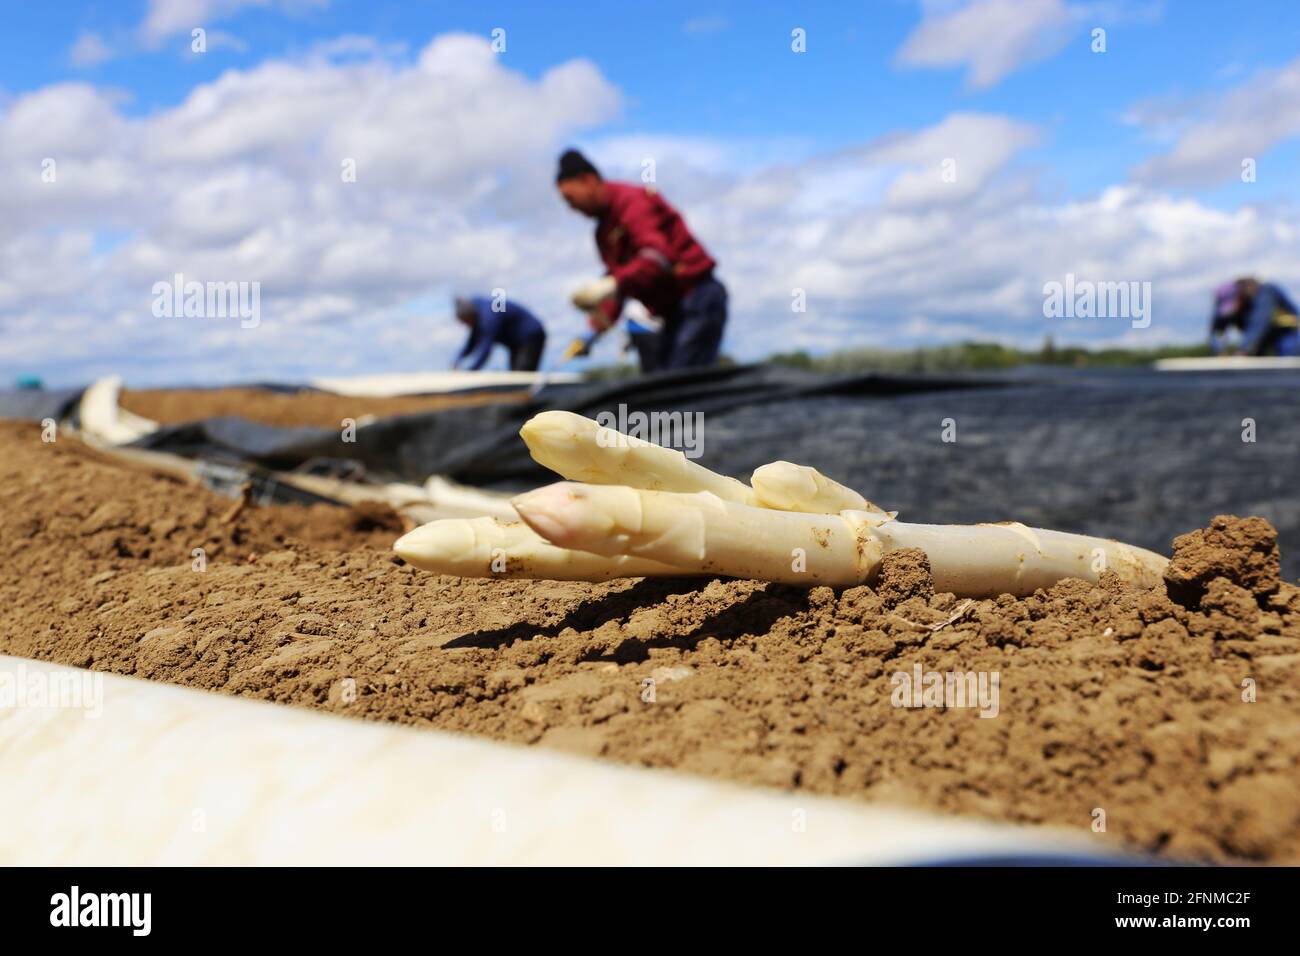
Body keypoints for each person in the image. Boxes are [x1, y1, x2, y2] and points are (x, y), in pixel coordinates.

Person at [555, 148, 726, 371]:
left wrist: (611, 284)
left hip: (697, 298)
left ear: (587, 180)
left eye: (571, 198)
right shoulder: (603, 232)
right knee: (664, 385)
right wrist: (592, 332)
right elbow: (621, 285)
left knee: (681, 385)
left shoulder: (631, 202)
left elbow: (657, 257)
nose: (571, 208)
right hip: (673, 311)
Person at [451, 295, 547, 372]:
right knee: (516, 374)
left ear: (469, 315)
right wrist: (457, 359)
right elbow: (472, 341)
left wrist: (471, 371)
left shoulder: (488, 317)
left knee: (522, 373)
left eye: (466, 322)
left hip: (531, 336)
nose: (467, 325)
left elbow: (485, 348)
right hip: (516, 343)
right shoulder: (477, 314)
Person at [1210, 278, 1299, 356]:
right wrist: (1219, 350)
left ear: (1240, 296)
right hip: (1260, 336)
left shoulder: (1266, 291)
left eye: (1232, 304)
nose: (1230, 311)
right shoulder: (1223, 300)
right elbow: (1217, 329)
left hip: (1285, 331)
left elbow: (1258, 323)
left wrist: (1242, 350)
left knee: (1287, 353)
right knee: (1256, 358)